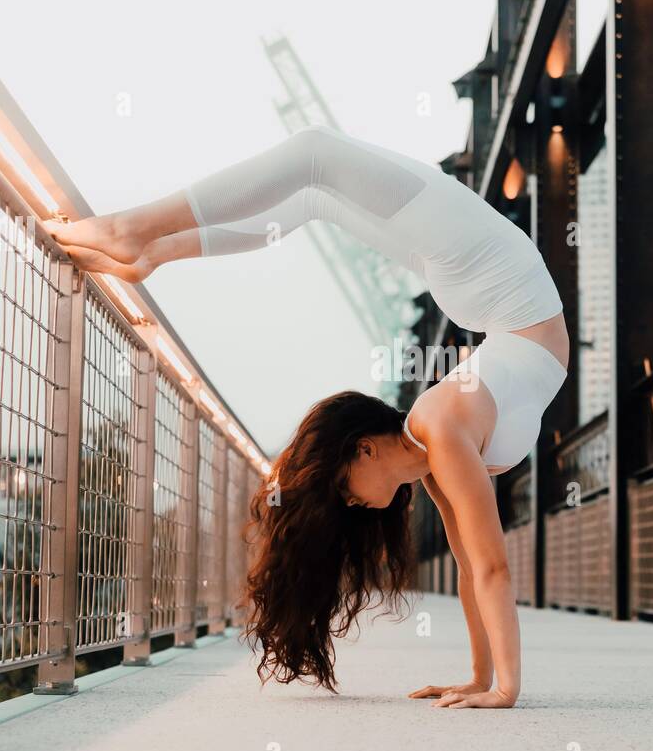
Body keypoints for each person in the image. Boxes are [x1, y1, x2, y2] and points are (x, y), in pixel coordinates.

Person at [45, 123, 568, 709]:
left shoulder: (441, 431)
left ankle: (136, 233)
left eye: (339, 493)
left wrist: (506, 688)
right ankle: (152, 247)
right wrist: (481, 679)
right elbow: (477, 570)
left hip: (494, 273)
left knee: (317, 155)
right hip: (491, 290)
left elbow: (492, 569)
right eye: (344, 493)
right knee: (314, 191)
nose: (351, 504)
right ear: (364, 449)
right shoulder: (436, 453)